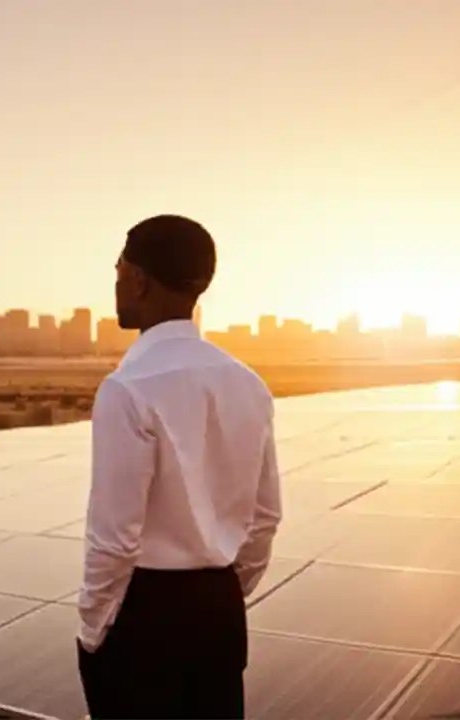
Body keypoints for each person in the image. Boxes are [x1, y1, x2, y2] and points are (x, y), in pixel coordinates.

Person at [76, 215, 282, 719]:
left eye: (120, 271)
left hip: (144, 623)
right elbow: (265, 517)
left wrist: (92, 629)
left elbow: (114, 538)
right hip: (220, 615)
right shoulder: (248, 383)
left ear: (140, 280)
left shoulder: (128, 388)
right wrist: (223, 592)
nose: (117, 285)